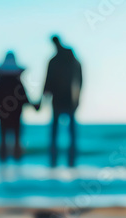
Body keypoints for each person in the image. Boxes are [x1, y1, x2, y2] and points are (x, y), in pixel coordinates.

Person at [0, 51, 39, 163]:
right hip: (16, 116)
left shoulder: (0, 81)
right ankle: (17, 164)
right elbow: (24, 99)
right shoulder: (17, 82)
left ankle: (3, 164)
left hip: (3, 116)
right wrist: (35, 106)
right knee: (16, 141)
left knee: (3, 140)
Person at [43, 35, 82, 167]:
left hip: (64, 99)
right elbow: (48, 82)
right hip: (66, 99)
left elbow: (48, 82)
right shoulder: (65, 59)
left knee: (59, 132)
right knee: (67, 132)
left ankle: (61, 161)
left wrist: (43, 99)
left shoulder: (58, 60)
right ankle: (65, 161)